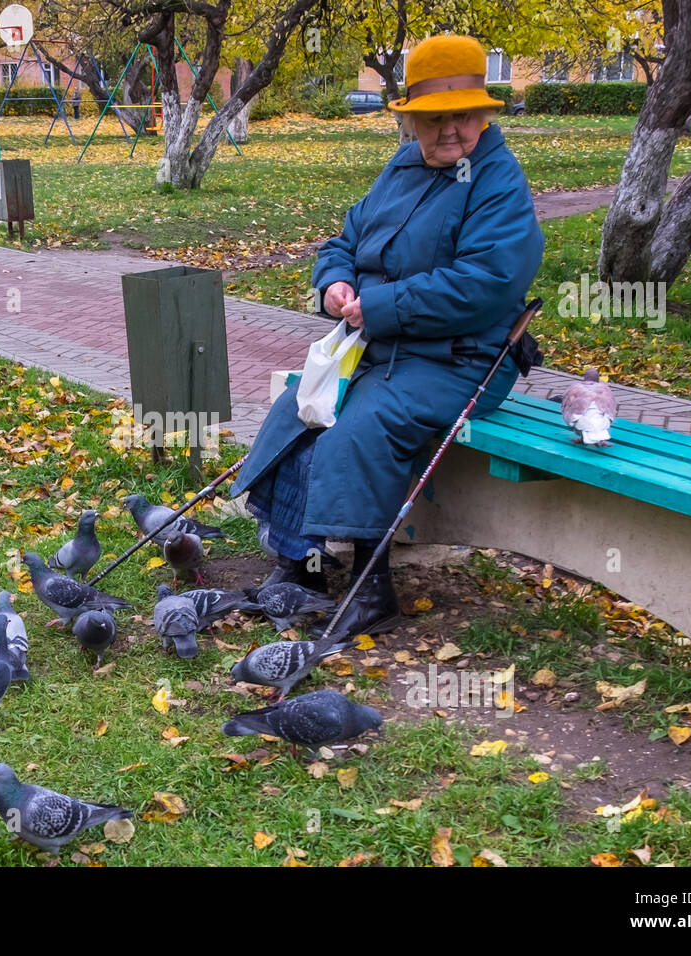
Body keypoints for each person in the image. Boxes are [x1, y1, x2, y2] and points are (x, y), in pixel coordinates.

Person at [231, 35, 545, 638]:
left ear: (484, 113)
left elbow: (486, 283)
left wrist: (377, 306)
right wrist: (335, 283)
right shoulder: (402, 167)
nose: (449, 131)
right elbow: (344, 241)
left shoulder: (498, 182)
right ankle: (300, 566)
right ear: (412, 120)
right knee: (301, 410)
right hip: (378, 344)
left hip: (462, 357)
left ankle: (372, 590)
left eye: (463, 115)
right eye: (433, 119)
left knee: (358, 429)